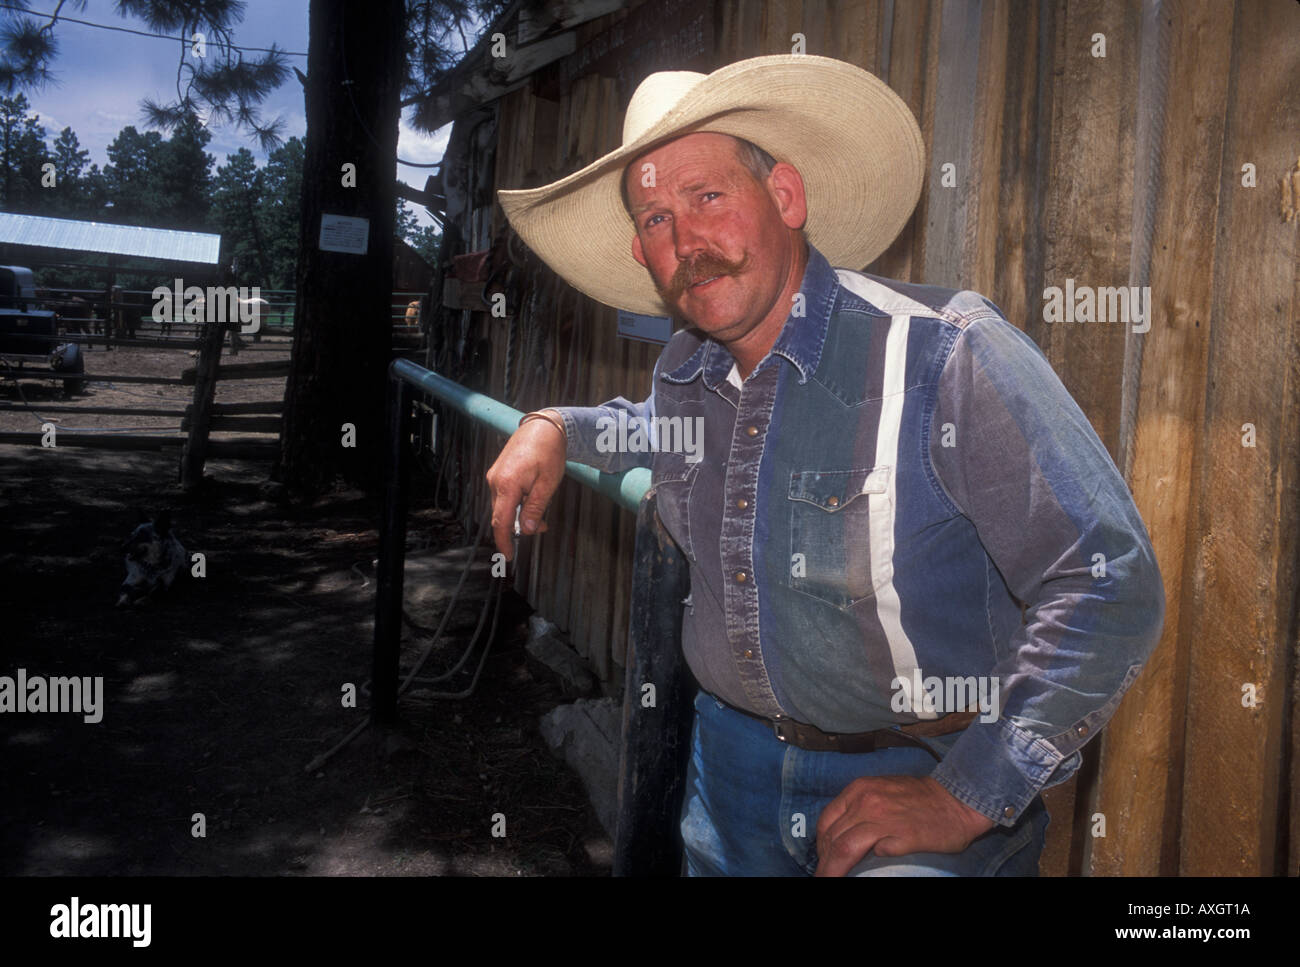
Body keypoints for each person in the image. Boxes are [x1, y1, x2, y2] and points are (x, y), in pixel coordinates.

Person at [486, 54, 1165, 876]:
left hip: (915, 786)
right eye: (657, 219)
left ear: (786, 198)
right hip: (726, 785)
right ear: (642, 253)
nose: (689, 241)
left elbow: (1108, 580)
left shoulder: (944, 351)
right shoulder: (688, 371)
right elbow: (650, 429)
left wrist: (968, 793)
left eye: (707, 197)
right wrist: (554, 425)